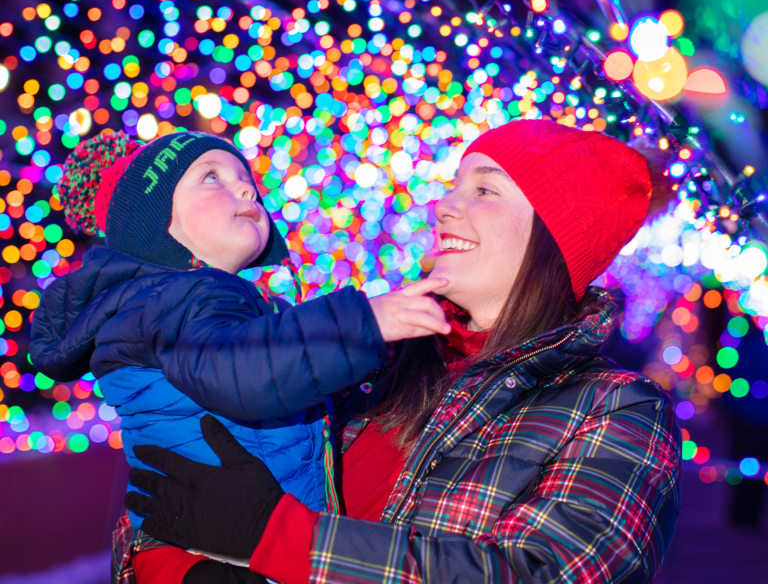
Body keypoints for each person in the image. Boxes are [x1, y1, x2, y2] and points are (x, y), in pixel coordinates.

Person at [127, 120, 683, 584]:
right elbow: (179, 476)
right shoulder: (371, 362)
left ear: (552, 238)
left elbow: (546, 572)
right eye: (454, 186)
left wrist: (275, 535)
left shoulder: (617, 408)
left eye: (484, 190)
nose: (443, 206)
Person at [29, 130, 450, 584]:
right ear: (158, 227)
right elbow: (239, 373)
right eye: (211, 177)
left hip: (230, 544)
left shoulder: (183, 301)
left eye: (244, 176)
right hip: (214, 549)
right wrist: (362, 324)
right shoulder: (179, 300)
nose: (247, 187)